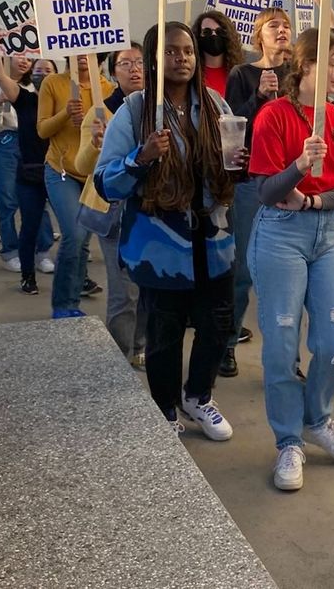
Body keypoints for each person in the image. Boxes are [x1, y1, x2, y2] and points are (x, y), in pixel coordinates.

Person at [98, 22, 240, 438]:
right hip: (160, 247)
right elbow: (106, 183)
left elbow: (230, 169)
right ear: (153, 59)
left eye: (188, 51)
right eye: (172, 52)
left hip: (213, 240)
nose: (183, 59)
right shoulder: (136, 111)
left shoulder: (214, 104)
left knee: (218, 324)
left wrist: (239, 163)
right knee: (164, 332)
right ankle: (164, 408)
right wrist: (140, 157)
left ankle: (198, 396)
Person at [247, 27, 334, 490]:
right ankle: (288, 440)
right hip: (280, 235)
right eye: (332, 64)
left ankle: (317, 419)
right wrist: (299, 165)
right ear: (305, 66)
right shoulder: (273, 116)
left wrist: (316, 201)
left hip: (327, 233)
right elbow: (266, 191)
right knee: (281, 342)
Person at [219, 7, 295, 377]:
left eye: (286, 25)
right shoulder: (243, 74)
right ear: (259, 35)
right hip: (252, 183)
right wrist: (260, 97)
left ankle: (285, 358)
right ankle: (228, 343)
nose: (282, 30)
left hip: (291, 179)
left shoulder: (299, 75)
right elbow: (232, 128)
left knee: (287, 275)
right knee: (243, 270)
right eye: (273, 25)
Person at [85, 42, 149, 367]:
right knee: (124, 289)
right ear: (112, 73)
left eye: (139, 62)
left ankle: (140, 345)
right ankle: (119, 357)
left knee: (148, 284)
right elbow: (82, 166)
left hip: (150, 210)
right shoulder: (101, 111)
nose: (134, 69)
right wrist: (96, 144)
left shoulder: (157, 108)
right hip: (114, 212)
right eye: (125, 63)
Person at [38, 53, 115, 317]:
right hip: (61, 170)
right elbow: (42, 130)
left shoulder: (108, 88)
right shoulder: (52, 83)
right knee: (74, 234)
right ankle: (64, 304)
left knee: (83, 240)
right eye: (79, 49)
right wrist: (65, 114)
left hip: (92, 174)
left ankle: (75, 290)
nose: (83, 55)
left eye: (90, 51)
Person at [0, 35, 53, 296]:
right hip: (31, 173)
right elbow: (0, 74)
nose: (42, 74)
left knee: (74, 227)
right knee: (30, 223)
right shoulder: (25, 100)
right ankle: (28, 275)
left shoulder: (67, 103)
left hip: (59, 173)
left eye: (48, 70)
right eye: (38, 70)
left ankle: (77, 275)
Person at [194, 9, 247, 97]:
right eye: (207, 32)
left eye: (220, 32)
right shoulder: (192, 74)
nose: (214, 35)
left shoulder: (240, 76)